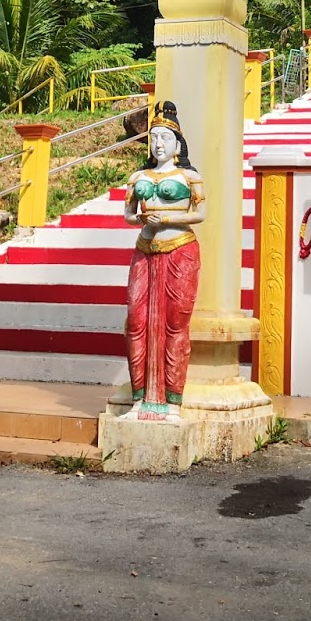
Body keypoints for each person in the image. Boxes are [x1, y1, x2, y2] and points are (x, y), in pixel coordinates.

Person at [122, 102, 205, 420]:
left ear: (177, 145)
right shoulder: (138, 175)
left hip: (179, 249)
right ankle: (139, 398)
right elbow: (129, 215)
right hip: (144, 247)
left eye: (165, 139)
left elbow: (200, 214)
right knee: (136, 323)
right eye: (153, 138)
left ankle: (172, 402)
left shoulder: (188, 176)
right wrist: (144, 219)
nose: (158, 144)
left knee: (175, 324)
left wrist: (165, 218)